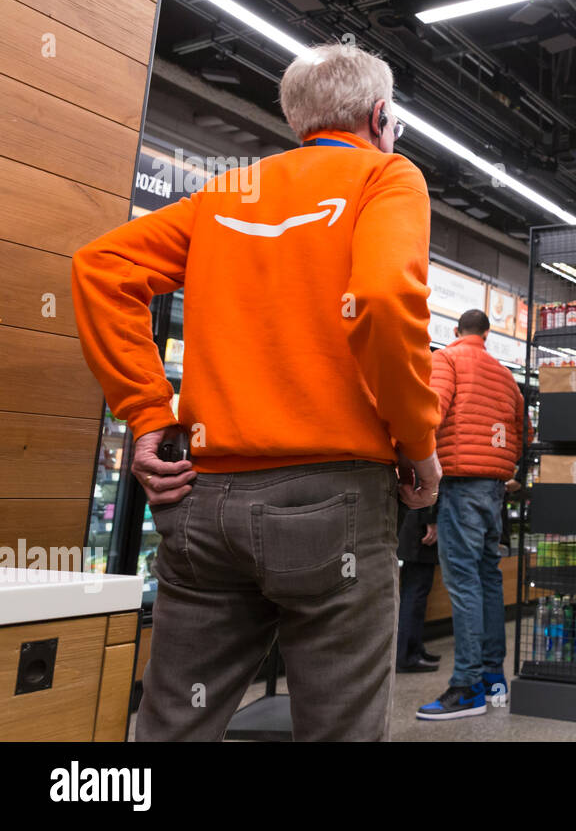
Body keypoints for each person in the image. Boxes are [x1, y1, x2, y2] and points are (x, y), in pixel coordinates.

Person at [71, 42, 443, 741]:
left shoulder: (223, 194)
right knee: (339, 728)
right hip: (333, 501)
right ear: (381, 113)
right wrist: (418, 444)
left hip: (201, 504)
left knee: (171, 724)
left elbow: (100, 267)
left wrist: (147, 414)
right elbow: (385, 299)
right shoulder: (386, 176)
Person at [417, 309, 525, 721]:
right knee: (488, 579)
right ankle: (493, 679)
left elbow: (432, 412)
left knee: (462, 582)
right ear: (488, 333)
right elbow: (520, 433)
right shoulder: (504, 373)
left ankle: (465, 687)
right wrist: (500, 469)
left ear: (456, 331)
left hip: (460, 483)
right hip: (494, 488)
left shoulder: (445, 359)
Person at [395, 500, 442, 673]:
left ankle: (414, 648)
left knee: (414, 591)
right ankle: (406, 654)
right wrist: (429, 519)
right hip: (418, 530)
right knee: (416, 593)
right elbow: (425, 486)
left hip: (412, 525)